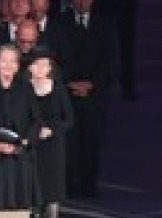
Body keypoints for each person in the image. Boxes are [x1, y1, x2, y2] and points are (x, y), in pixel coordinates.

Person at [0, 45, 43, 214]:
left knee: (20, 207)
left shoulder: (25, 87)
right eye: (4, 61)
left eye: (12, 61)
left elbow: (36, 121)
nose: (8, 65)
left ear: (17, 66)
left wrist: (25, 142)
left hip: (20, 154)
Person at [61, 0, 111, 199]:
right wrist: (70, 83)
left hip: (94, 92)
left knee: (92, 137)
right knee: (70, 139)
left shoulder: (104, 22)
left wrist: (91, 84)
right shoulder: (61, 22)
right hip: (67, 90)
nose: (82, 2)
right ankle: (71, 183)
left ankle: (90, 182)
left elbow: (108, 58)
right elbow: (58, 56)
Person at [26, 45, 73, 218]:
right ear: (30, 67)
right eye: (37, 64)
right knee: (33, 184)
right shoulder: (24, 89)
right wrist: (34, 132)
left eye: (45, 65)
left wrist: (53, 130)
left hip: (54, 145)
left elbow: (69, 119)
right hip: (33, 144)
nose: (41, 69)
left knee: (52, 186)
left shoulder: (58, 90)